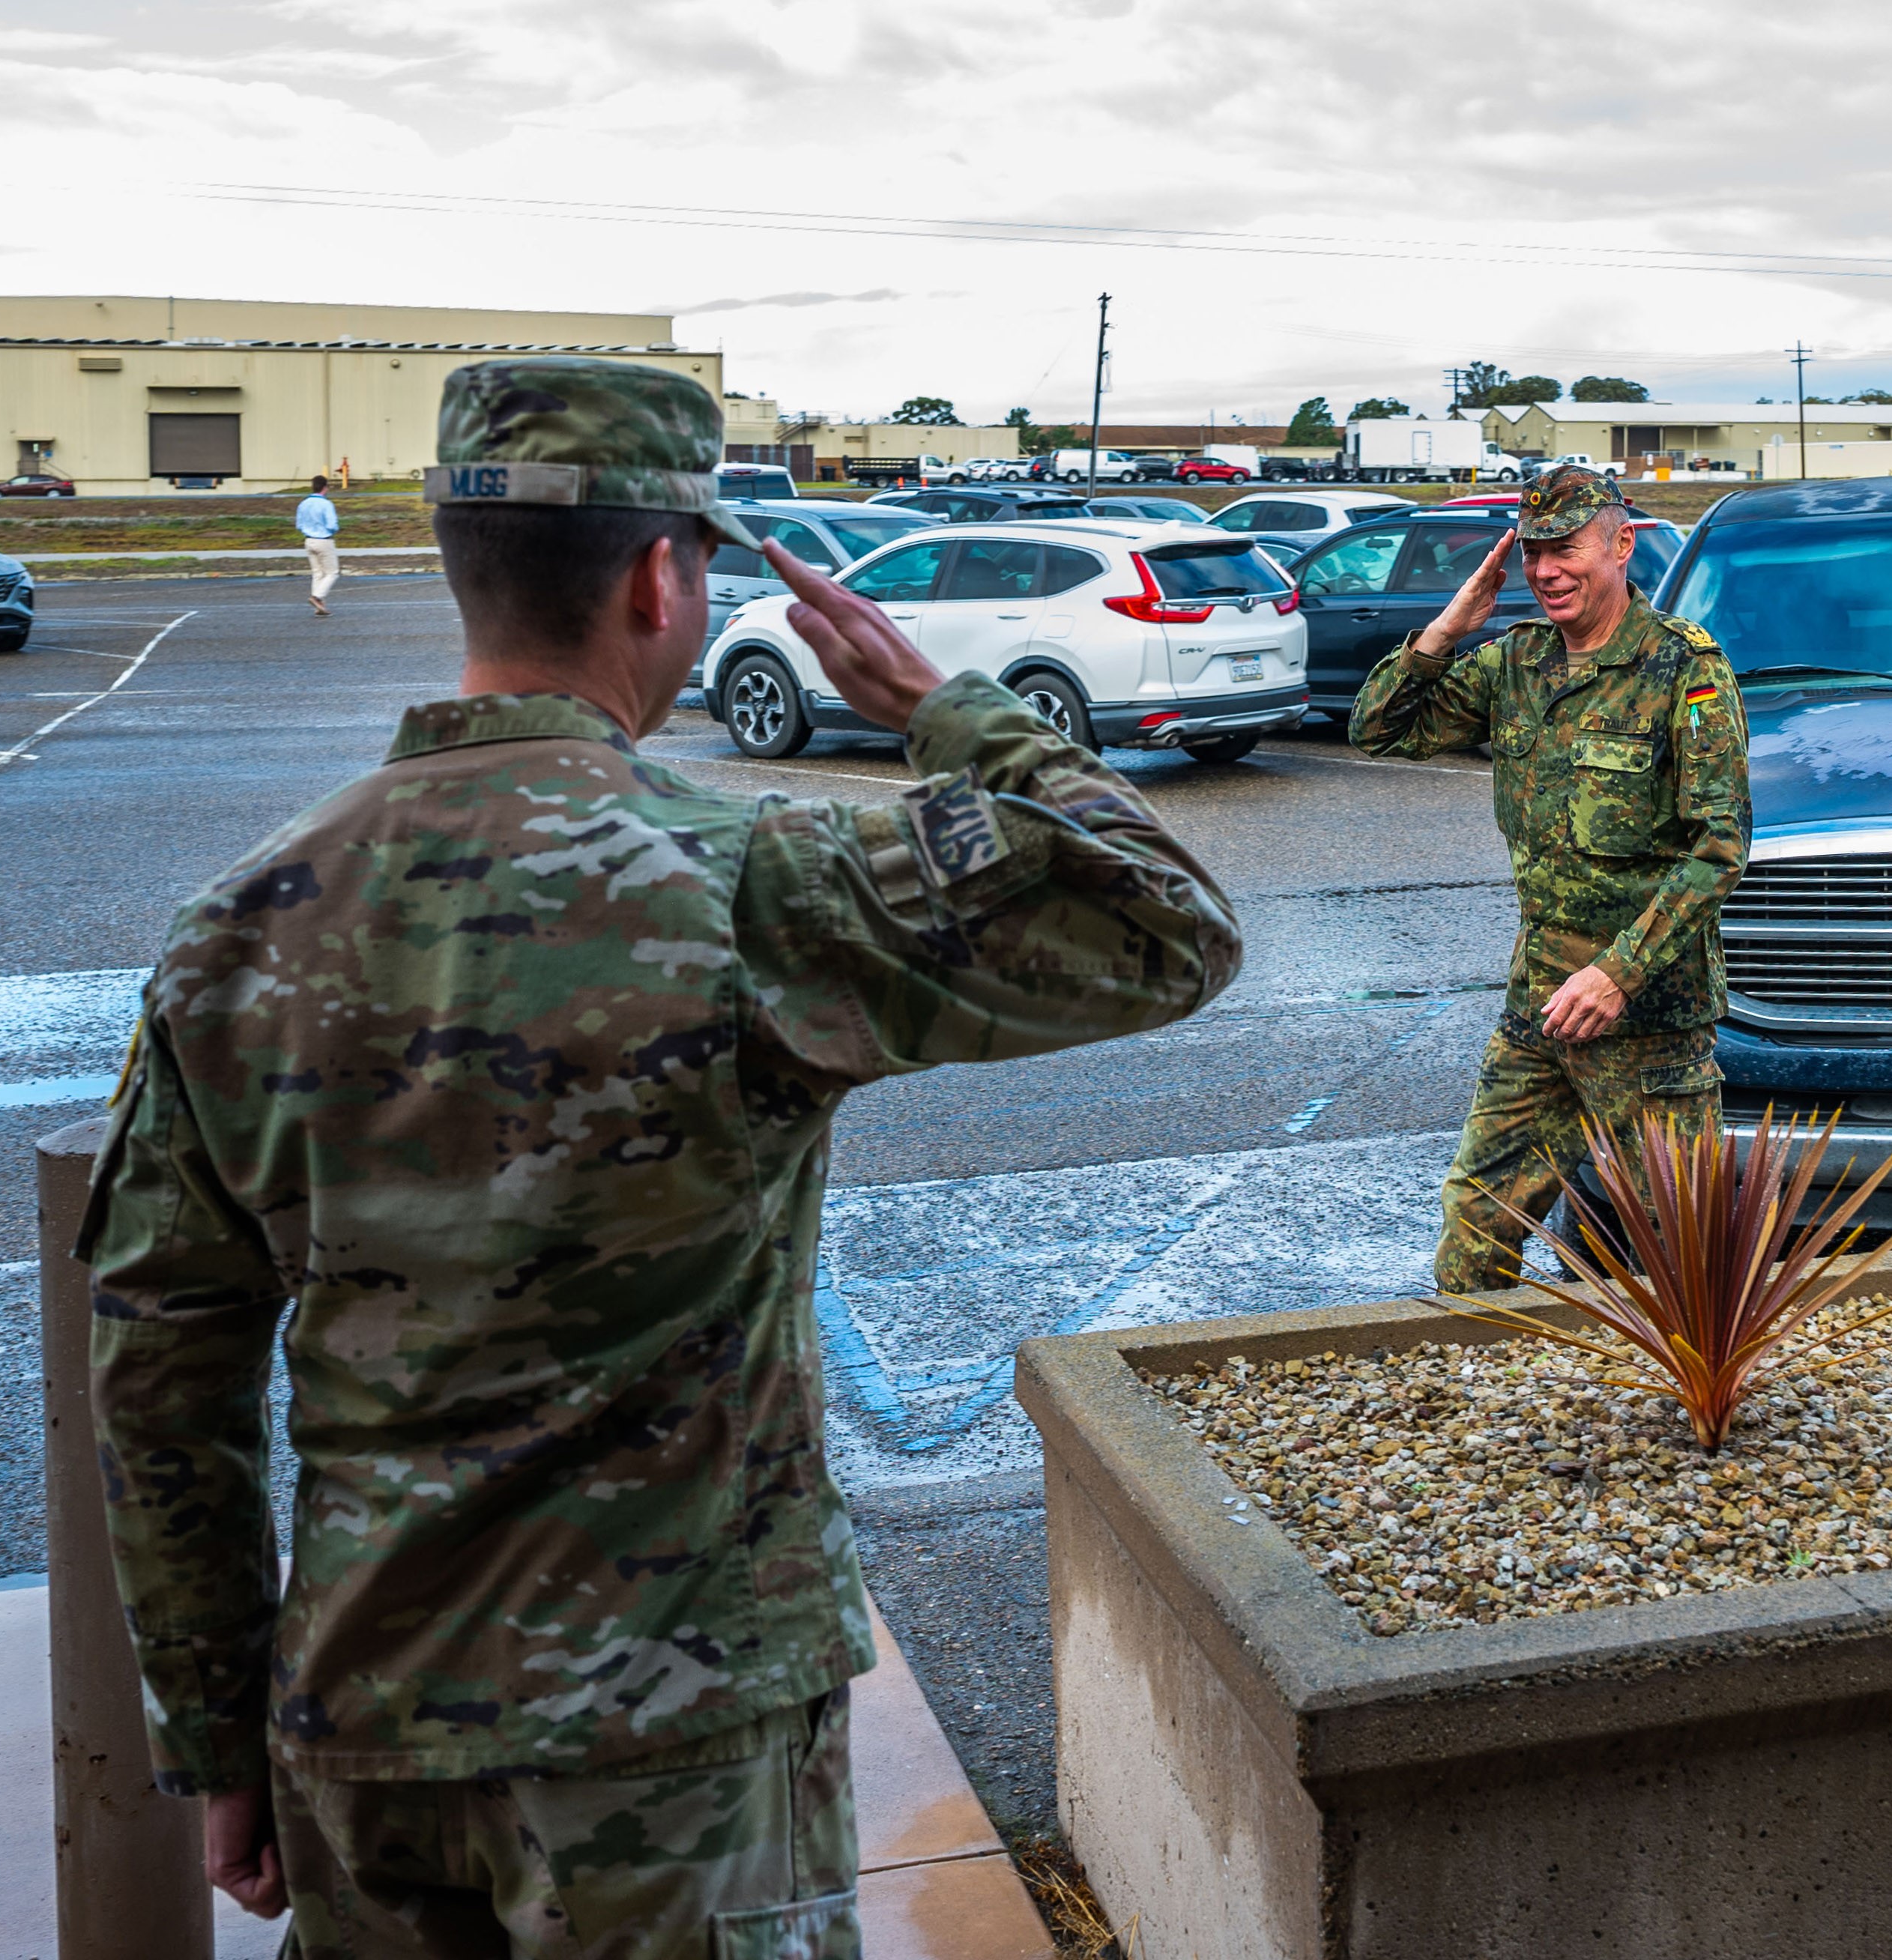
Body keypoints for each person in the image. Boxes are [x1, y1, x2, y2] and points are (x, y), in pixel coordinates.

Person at [81, 357, 1241, 1959]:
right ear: (660, 576)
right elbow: (1170, 924)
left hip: (367, 1703)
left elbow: (160, 1364)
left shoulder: (236, 926)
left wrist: (215, 1728)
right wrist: (947, 713)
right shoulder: (758, 881)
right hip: (676, 1728)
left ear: (448, 560)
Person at [1348, 464, 1750, 1293]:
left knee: (1687, 1252)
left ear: (1621, 546)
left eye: (1564, 549)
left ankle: (1698, 1414)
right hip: (1540, 1009)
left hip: (1648, 1027)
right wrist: (1450, 626)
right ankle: (1483, 1388)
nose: (1545, 571)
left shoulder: (1684, 671)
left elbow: (1720, 845)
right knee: (1476, 1218)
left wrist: (1619, 972)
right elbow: (1379, 732)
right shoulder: (1514, 663)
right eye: (1532, 552)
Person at [296, 473, 341, 615]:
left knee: (317, 573)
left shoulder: (303, 503)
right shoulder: (326, 504)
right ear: (325, 488)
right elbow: (332, 524)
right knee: (332, 572)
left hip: (309, 540)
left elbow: (299, 524)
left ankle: (319, 606)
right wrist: (334, 530)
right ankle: (317, 597)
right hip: (324, 540)